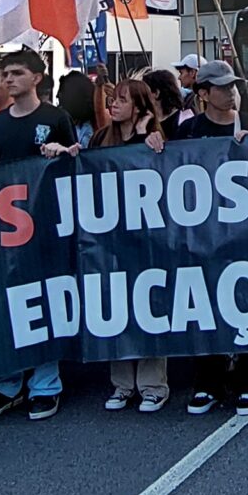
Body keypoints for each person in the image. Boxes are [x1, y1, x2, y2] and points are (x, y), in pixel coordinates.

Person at [0, 51, 77, 421]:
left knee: (44, 301)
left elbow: (78, 160)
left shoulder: (55, 118)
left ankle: (46, 383)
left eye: (17, 73)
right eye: (6, 74)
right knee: (5, 303)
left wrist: (65, 153)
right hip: (3, 231)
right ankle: (6, 382)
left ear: (37, 77)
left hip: (45, 225)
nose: (9, 80)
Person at [168, 62, 248, 415]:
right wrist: (153, 142)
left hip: (247, 235)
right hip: (205, 237)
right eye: (223, 87)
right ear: (203, 94)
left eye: (233, 86)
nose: (231, 93)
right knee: (206, 307)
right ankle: (207, 383)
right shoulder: (189, 131)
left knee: (247, 304)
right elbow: (163, 168)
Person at [86, 79, 174, 414]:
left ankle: (153, 384)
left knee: (149, 304)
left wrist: (144, 132)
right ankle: (122, 383)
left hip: (146, 237)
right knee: (116, 308)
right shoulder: (99, 138)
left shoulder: (153, 137)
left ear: (139, 105)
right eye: (111, 99)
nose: (113, 105)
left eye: (121, 100)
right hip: (110, 237)